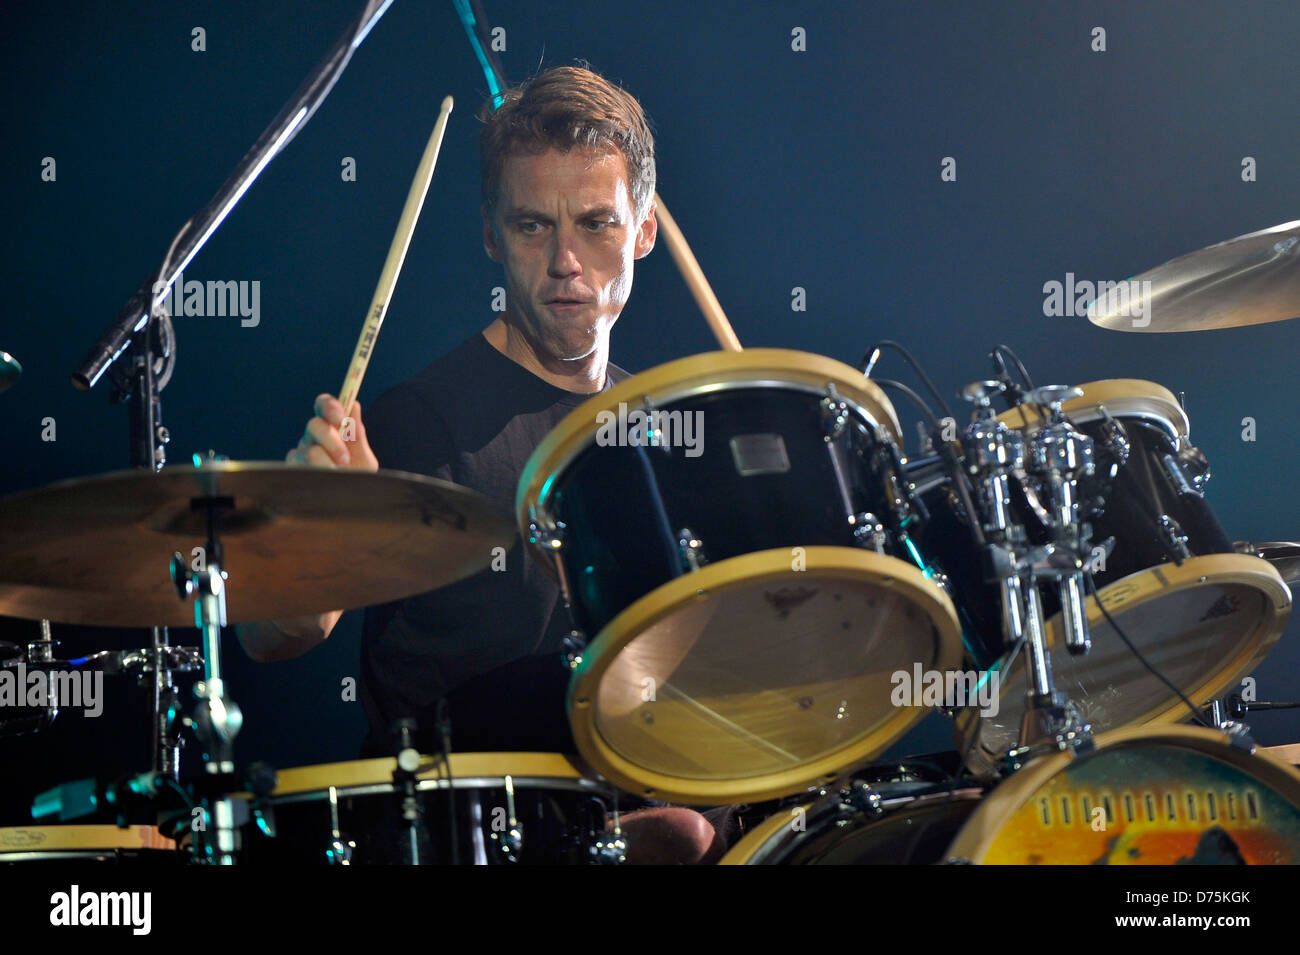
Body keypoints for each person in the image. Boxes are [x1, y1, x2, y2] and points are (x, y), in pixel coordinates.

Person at [239, 66, 728, 864]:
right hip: (458, 832)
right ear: (493, 236)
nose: (568, 259)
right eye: (534, 226)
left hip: (631, 798)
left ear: (644, 230)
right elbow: (275, 635)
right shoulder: (411, 421)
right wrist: (321, 521)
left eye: (597, 223)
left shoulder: (664, 426)